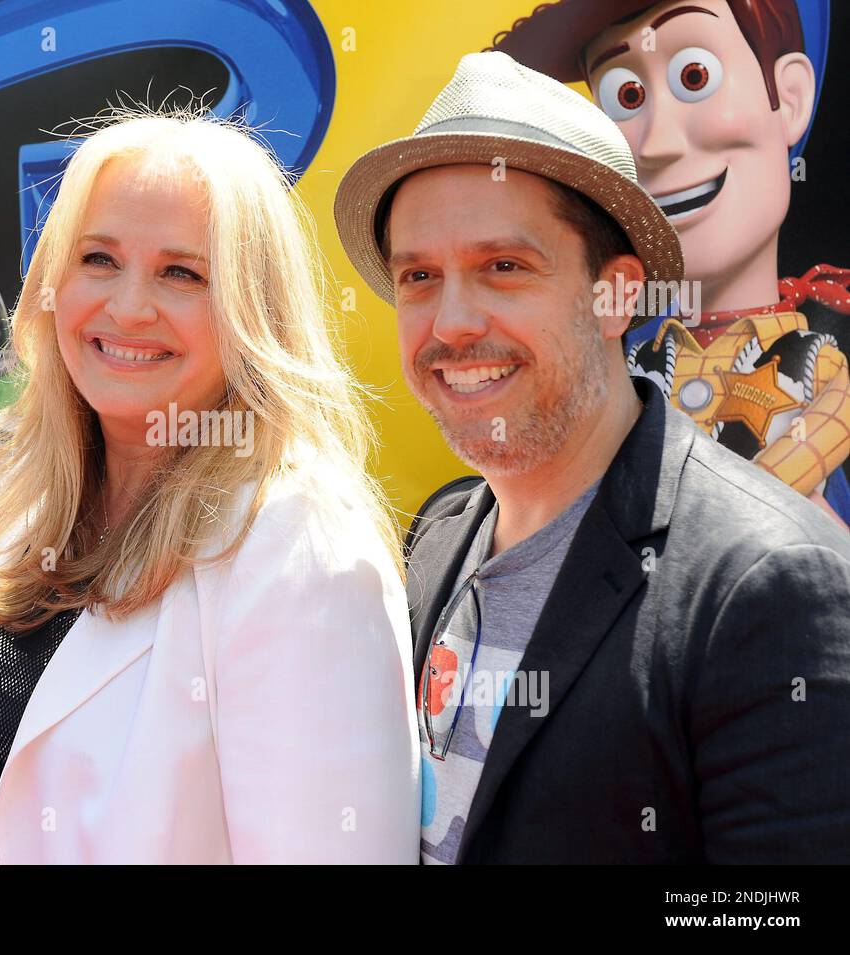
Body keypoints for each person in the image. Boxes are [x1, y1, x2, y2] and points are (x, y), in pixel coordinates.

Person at [334, 50, 850, 863]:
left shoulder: (771, 581)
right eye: (420, 276)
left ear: (616, 295)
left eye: (503, 267)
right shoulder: (437, 536)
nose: (452, 322)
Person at [0, 109, 421, 864]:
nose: (127, 307)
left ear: (253, 312)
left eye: (181, 273)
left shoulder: (300, 547)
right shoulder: (17, 500)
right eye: (98, 259)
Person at [492, 0, 850, 527]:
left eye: (695, 75)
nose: (657, 144)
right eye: (626, 95)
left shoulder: (823, 352)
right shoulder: (616, 354)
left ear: (789, 97)